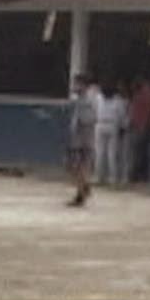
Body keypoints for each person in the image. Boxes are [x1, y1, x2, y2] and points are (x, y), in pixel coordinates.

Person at [65, 72, 97, 207]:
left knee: (79, 166)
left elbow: (89, 118)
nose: (74, 86)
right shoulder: (77, 99)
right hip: (78, 137)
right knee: (74, 167)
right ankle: (83, 188)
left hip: (84, 137)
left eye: (77, 84)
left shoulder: (90, 98)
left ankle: (82, 192)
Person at [94, 80, 126, 186]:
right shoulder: (118, 100)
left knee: (103, 153)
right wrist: (122, 127)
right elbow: (122, 115)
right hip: (110, 125)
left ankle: (101, 177)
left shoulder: (99, 97)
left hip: (103, 124)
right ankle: (111, 178)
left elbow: (95, 110)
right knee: (109, 154)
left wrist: (121, 126)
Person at [126, 77, 150, 184]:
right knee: (138, 152)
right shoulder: (138, 94)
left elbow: (147, 113)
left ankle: (137, 176)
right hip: (137, 126)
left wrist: (143, 126)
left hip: (143, 127)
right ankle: (138, 176)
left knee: (138, 153)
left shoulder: (146, 94)